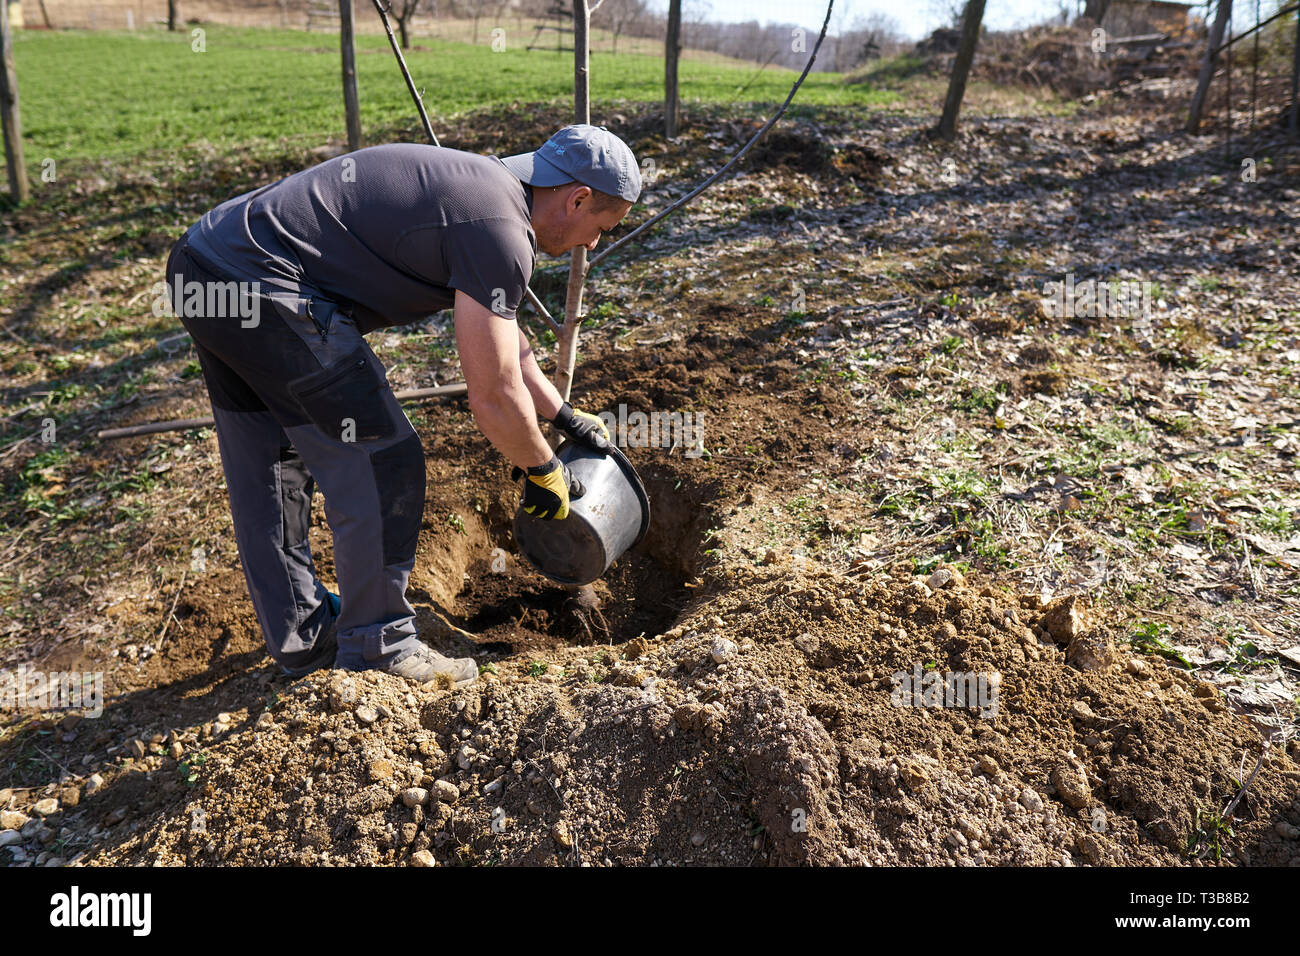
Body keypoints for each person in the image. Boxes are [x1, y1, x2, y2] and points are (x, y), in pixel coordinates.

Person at [162, 124, 640, 685]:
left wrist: (559, 413)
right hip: (267, 287)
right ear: (577, 198)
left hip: (206, 264)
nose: (593, 244)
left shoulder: (484, 190)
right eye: (600, 228)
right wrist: (543, 467)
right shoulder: (502, 230)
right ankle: (379, 645)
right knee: (384, 459)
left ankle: (304, 640)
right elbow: (492, 393)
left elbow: (507, 343)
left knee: (270, 461)